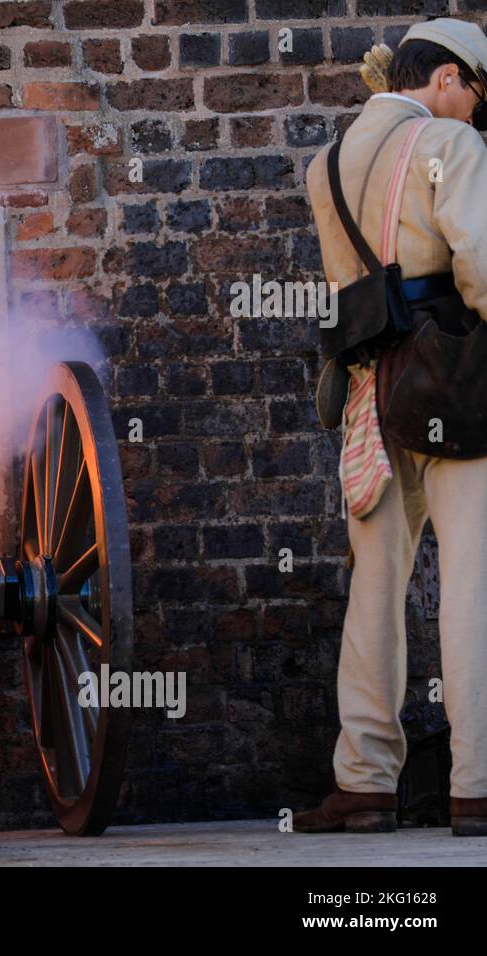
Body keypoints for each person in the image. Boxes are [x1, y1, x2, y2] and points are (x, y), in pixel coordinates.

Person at [298, 17, 487, 836]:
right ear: (447, 78)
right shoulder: (451, 144)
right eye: (479, 95)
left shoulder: (324, 165)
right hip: (455, 383)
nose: (478, 115)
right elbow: (481, 267)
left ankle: (364, 781)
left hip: (373, 391)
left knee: (374, 590)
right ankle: (477, 784)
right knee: (474, 584)